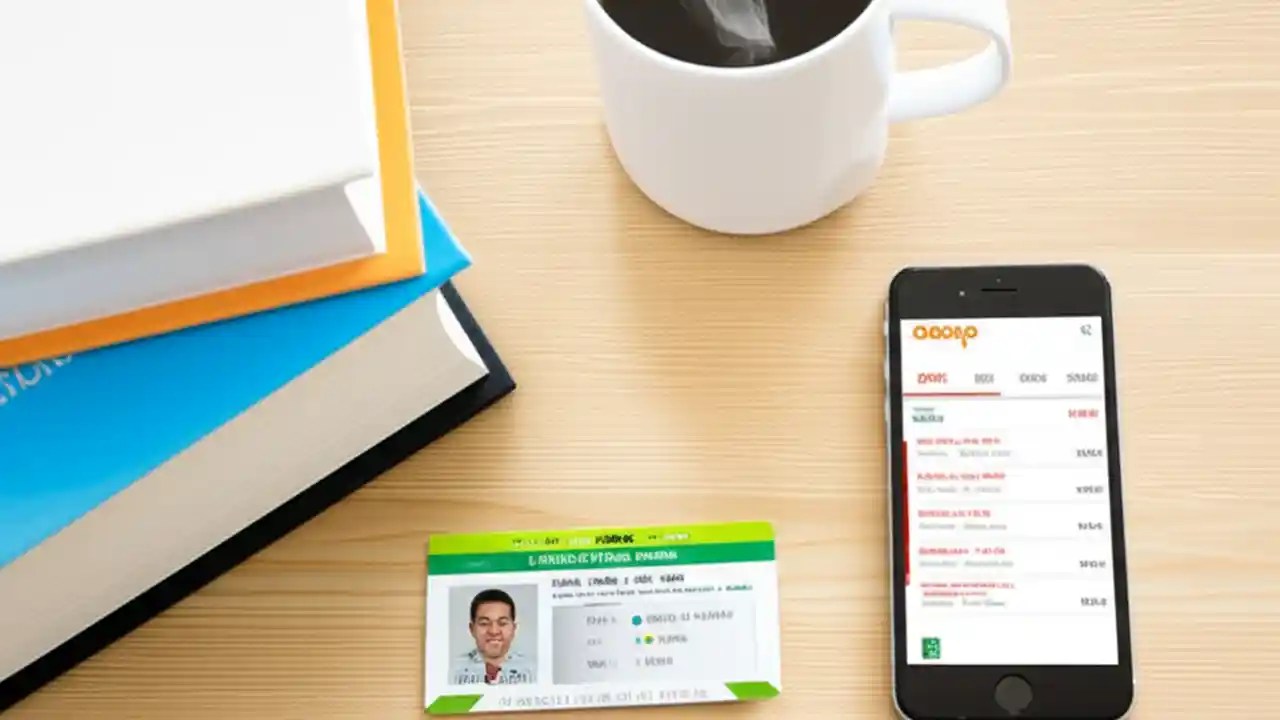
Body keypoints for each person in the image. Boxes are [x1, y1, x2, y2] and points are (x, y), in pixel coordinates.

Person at [451, 589, 535, 685]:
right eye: (484, 623)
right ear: (472, 629)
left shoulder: (532, 670)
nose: (494, 631)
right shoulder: (453, 670)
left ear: (514, 628)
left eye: (502, 623)